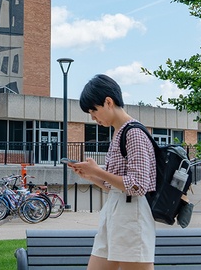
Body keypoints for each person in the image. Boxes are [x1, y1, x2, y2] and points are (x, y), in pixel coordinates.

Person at [67, 74, 156, 269]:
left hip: (132, 215)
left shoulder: (133, 133)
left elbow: (138, 185)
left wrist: (98, 172)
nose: (93, 117)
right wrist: (91, 175)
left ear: (108, 102)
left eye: (94, 110)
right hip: (116, 211)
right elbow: (114, 185)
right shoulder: (119, 132)